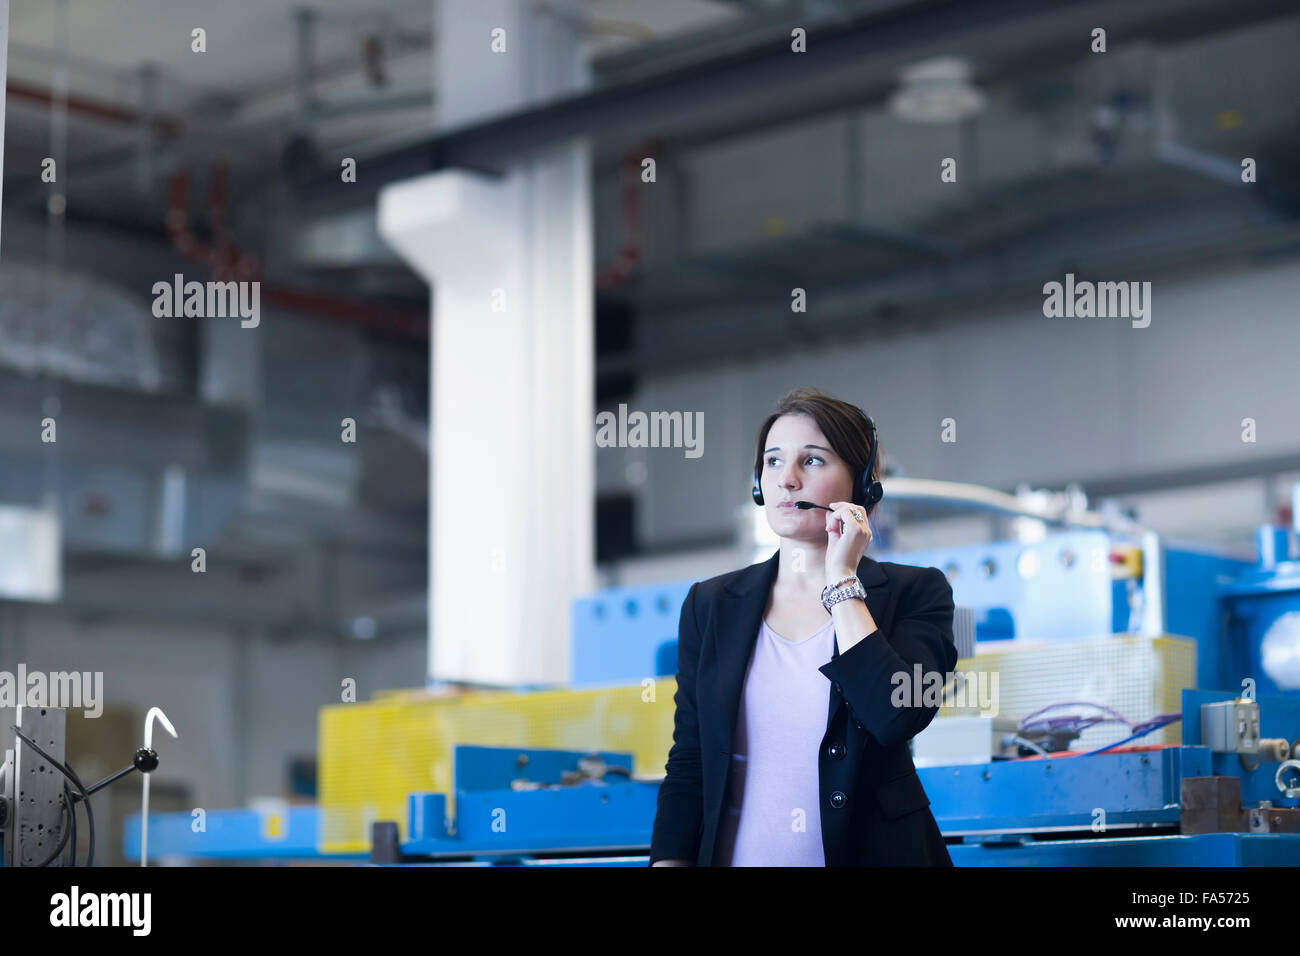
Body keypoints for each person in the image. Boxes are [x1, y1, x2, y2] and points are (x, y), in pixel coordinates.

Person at [649, 387, 957, 866]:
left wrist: (843, 581)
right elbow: (690, 760)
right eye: (773, 462)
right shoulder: (710, 606)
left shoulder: (915, 593)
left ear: (863, 486)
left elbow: (895, 715)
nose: (786, 481)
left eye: (812, 461)